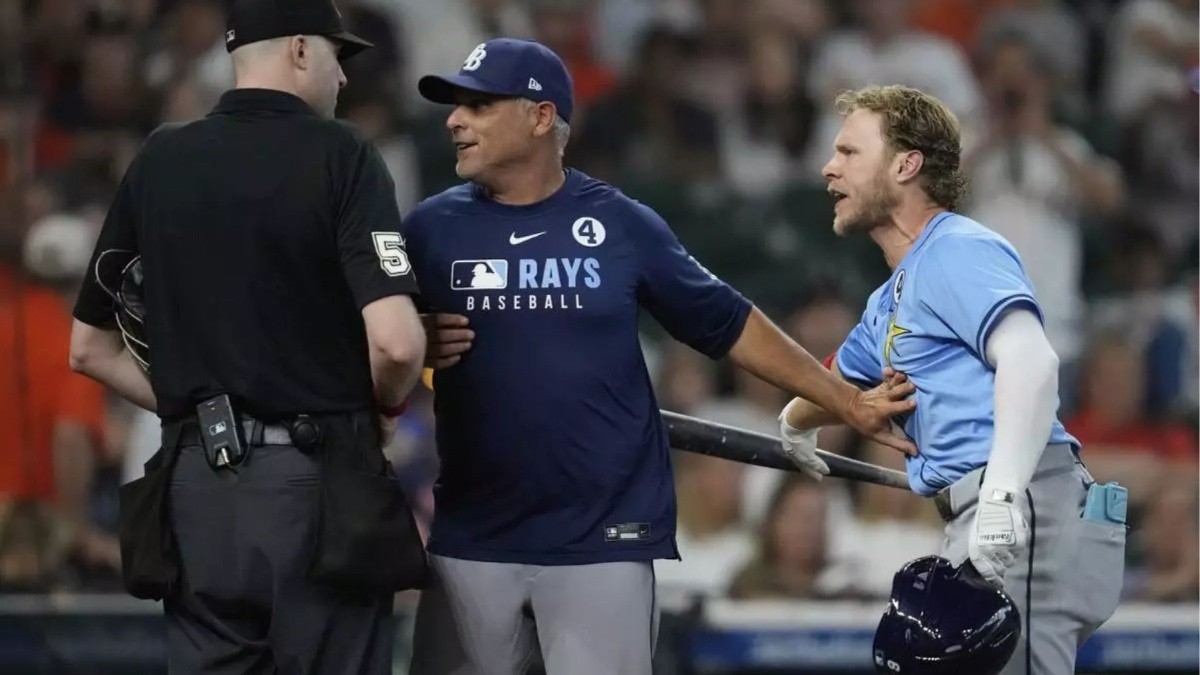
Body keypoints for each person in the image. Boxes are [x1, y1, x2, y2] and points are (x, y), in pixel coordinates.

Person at [404, 38, 918, 675]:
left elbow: (729, 323)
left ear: (541, 117)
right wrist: (406, 336)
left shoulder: (622, 225)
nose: (455, 119)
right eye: (456, 106)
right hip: (471, 538)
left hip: (601, 539)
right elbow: (365, 341)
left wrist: (843, 400)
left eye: (478, 106)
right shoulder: (426, 230)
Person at [67, 0, 426, 672]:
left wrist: (200, 410)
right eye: (334, 56)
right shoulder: (342, 153)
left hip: (197, 490)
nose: (344, 79)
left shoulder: (161, 156)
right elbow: (399, 343)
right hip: (313, 485)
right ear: (297, 49)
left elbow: (87, 348)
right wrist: (379, 410)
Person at [779, 84, 1127, 675]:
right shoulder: (890, 298)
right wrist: (794, 423)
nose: (828, 168)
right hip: (985, 510)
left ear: (906, 164)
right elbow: (833, 381)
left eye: (849, 152)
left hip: (1020, 502)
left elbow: (1032, 362)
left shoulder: (957, 249)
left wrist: (1002, 495)